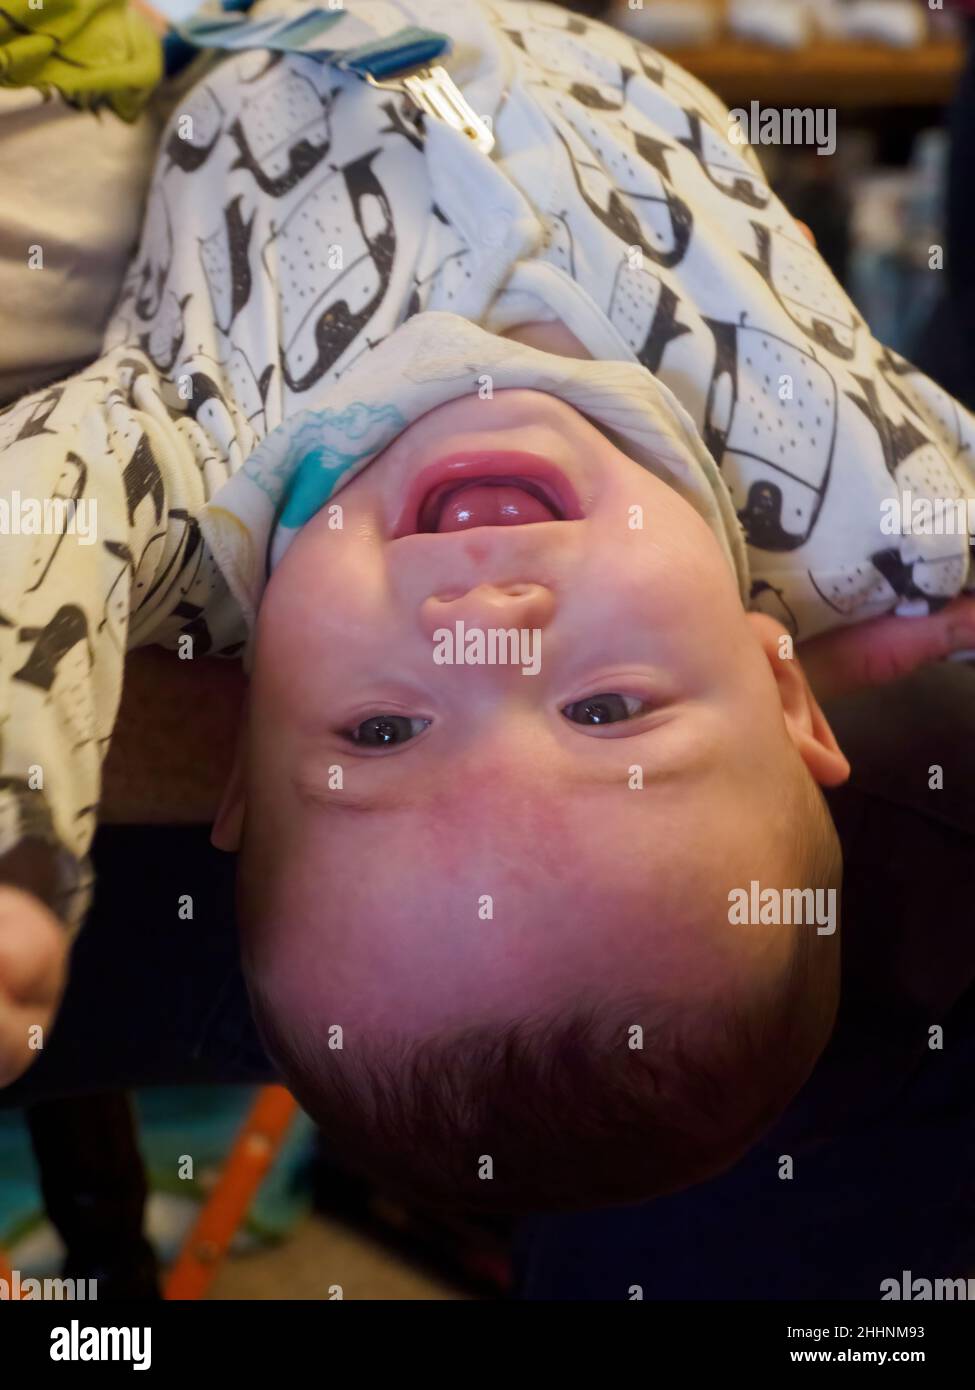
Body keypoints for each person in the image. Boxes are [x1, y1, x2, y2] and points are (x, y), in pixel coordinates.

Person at [2, 0, 975, 1214]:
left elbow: (33, 562)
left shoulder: (195, 465)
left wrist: (21, 846)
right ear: (783, 686)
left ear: (241, 756)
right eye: (610, 708)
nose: (490, 627)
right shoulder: (875, 507)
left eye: (382, 733)